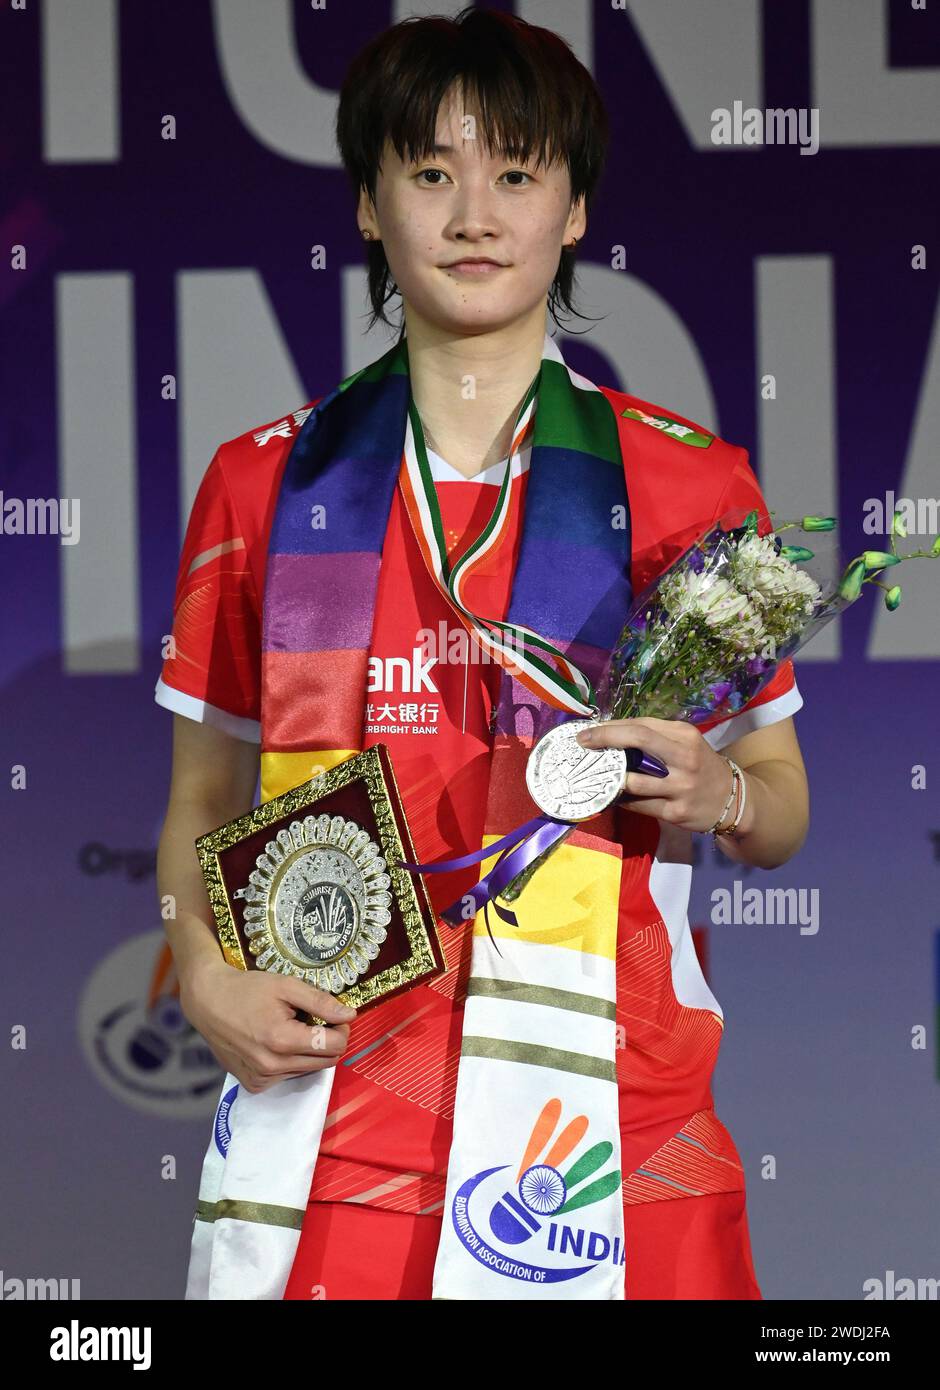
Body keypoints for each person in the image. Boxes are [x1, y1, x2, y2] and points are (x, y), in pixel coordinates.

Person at [155, 7, 808, 1300]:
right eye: (431, 173)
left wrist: (719, 791)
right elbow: (197, 801)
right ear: (367, 203)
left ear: (571, 212)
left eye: (516, 174)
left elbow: (780, 805)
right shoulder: (260, 484)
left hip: (617, 1125)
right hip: (334, 1120)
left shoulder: (691, 482)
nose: (474, 214)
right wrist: (205, 969)